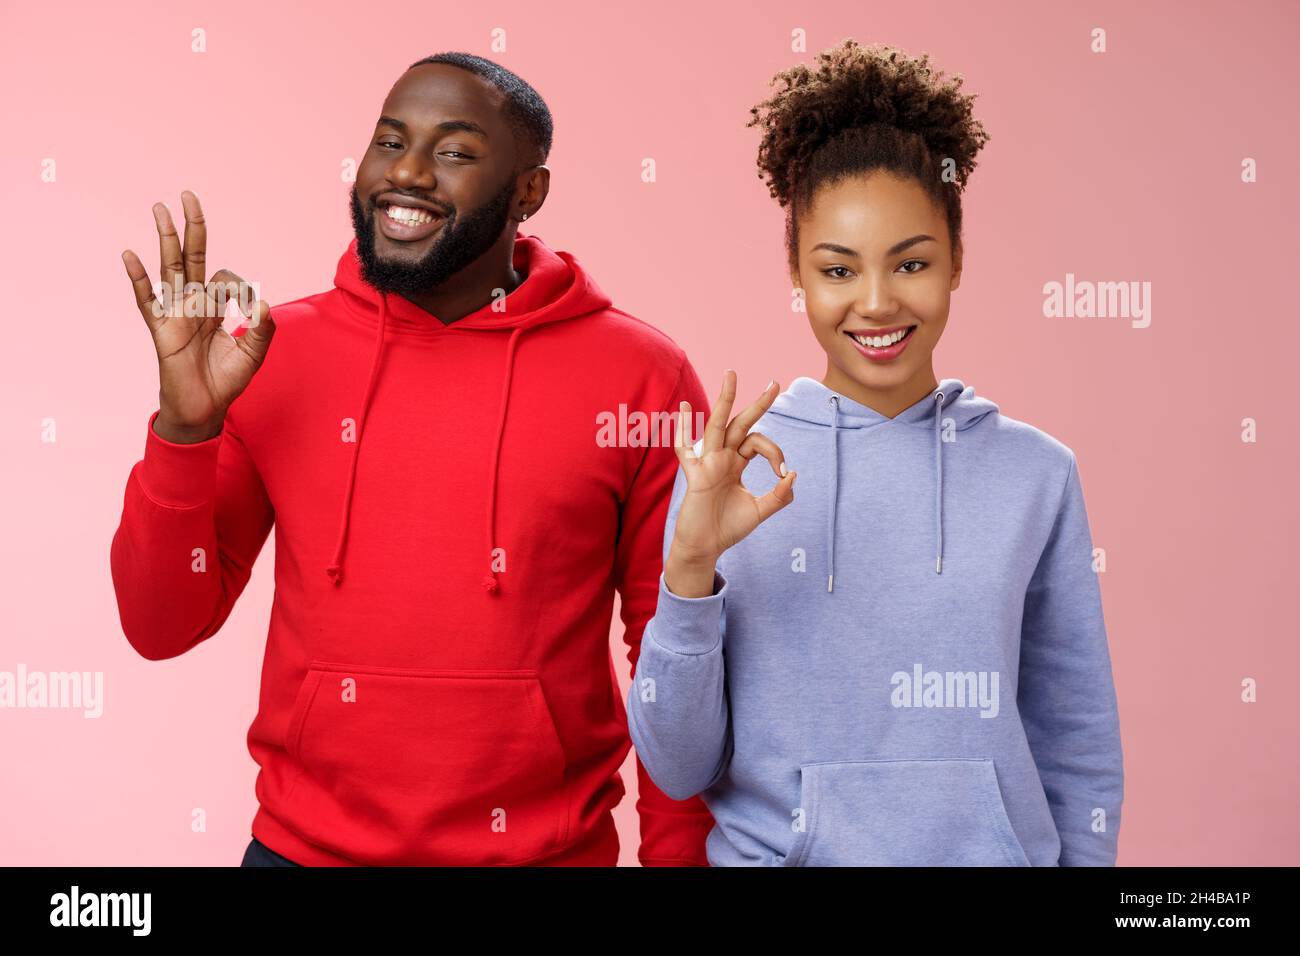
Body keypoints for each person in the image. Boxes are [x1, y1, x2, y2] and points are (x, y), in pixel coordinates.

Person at [111, 52, 714, 867]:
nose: (409, 175)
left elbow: (671, 651)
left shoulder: (641, 376)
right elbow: (160, 627)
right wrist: (185, 432)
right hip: (301, 855)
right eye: (389, 142)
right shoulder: (269, 353)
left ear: (529, 192)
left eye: (456, 152)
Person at [626, 39, 1124, 866]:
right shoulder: (731, 473)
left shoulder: (1038, 475)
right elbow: (678, 768)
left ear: (957, 260)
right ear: (798, 272)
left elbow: (1077, 738)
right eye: (837, 269)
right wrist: (689, 570)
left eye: (912, 263)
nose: (877, 302)